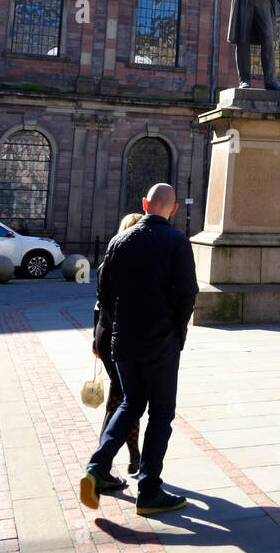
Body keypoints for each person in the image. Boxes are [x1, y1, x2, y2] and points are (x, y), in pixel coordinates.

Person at [80, 183, 199, 516]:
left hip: (123, 339)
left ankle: (96, 467)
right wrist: (177, 332)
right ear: (174, 209)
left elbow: (104, 294)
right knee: (161, 414)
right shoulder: (176, 241)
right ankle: (149, 490)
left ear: (145, 203)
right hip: (160, 340)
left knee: (131, 403)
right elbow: (188, 293)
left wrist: (116, 330)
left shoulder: (119, 241)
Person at [91, 213, 143, 489]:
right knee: (125, 403)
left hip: (105, 334)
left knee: (123, 399)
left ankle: (133, 457)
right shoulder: (127, 264)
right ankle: (101, 467)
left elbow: (99, 304)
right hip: (119, 339)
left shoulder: (107, 262)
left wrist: (94, 339)